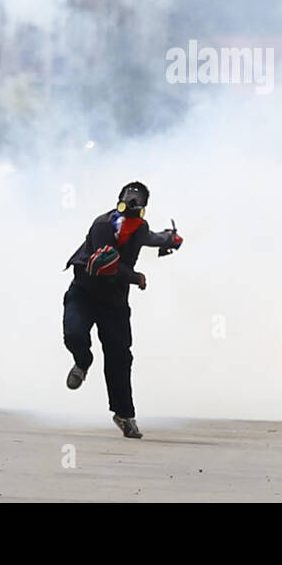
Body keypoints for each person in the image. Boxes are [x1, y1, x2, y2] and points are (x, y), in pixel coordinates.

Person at [61, 181, 182, 439]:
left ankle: (125, 415)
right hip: (84, 291)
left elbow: (150, 238)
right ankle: (83, 362)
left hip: (114, 302)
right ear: (121, 200)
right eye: (131, 197)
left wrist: (169, 239)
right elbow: (108, 262)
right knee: (74, 334)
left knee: (119, 358)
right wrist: (136, 277)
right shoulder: (102, 225)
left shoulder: (140, 228)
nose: (134, 202)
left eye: (140, 200)